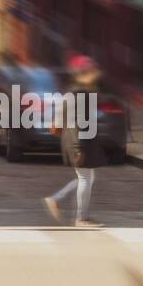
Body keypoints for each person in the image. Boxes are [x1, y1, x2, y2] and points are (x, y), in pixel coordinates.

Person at [44, 55, 106, 228]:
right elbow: (77, 122)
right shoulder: (80, 93)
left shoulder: (76, 92)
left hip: (77, 140)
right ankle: (81, 218)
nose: (96, 75)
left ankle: (56, 199)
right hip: (79, 141)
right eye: (92, 71)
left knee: (87, 177)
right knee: (86, 178)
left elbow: (59, 117)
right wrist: (79, 147)